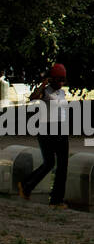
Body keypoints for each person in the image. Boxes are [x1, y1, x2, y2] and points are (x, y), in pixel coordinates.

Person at [17, 63, 71, 207]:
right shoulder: (45, 91)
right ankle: (26, 185)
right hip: (47, 129)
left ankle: (56, 199)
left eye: (63, 80)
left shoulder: (62, 92)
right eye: (58, 80)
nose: (61, 83)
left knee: (63, 165)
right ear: (52, 79)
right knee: (49, 163)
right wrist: (43, 84)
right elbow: (33, 98)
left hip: (61, 129)